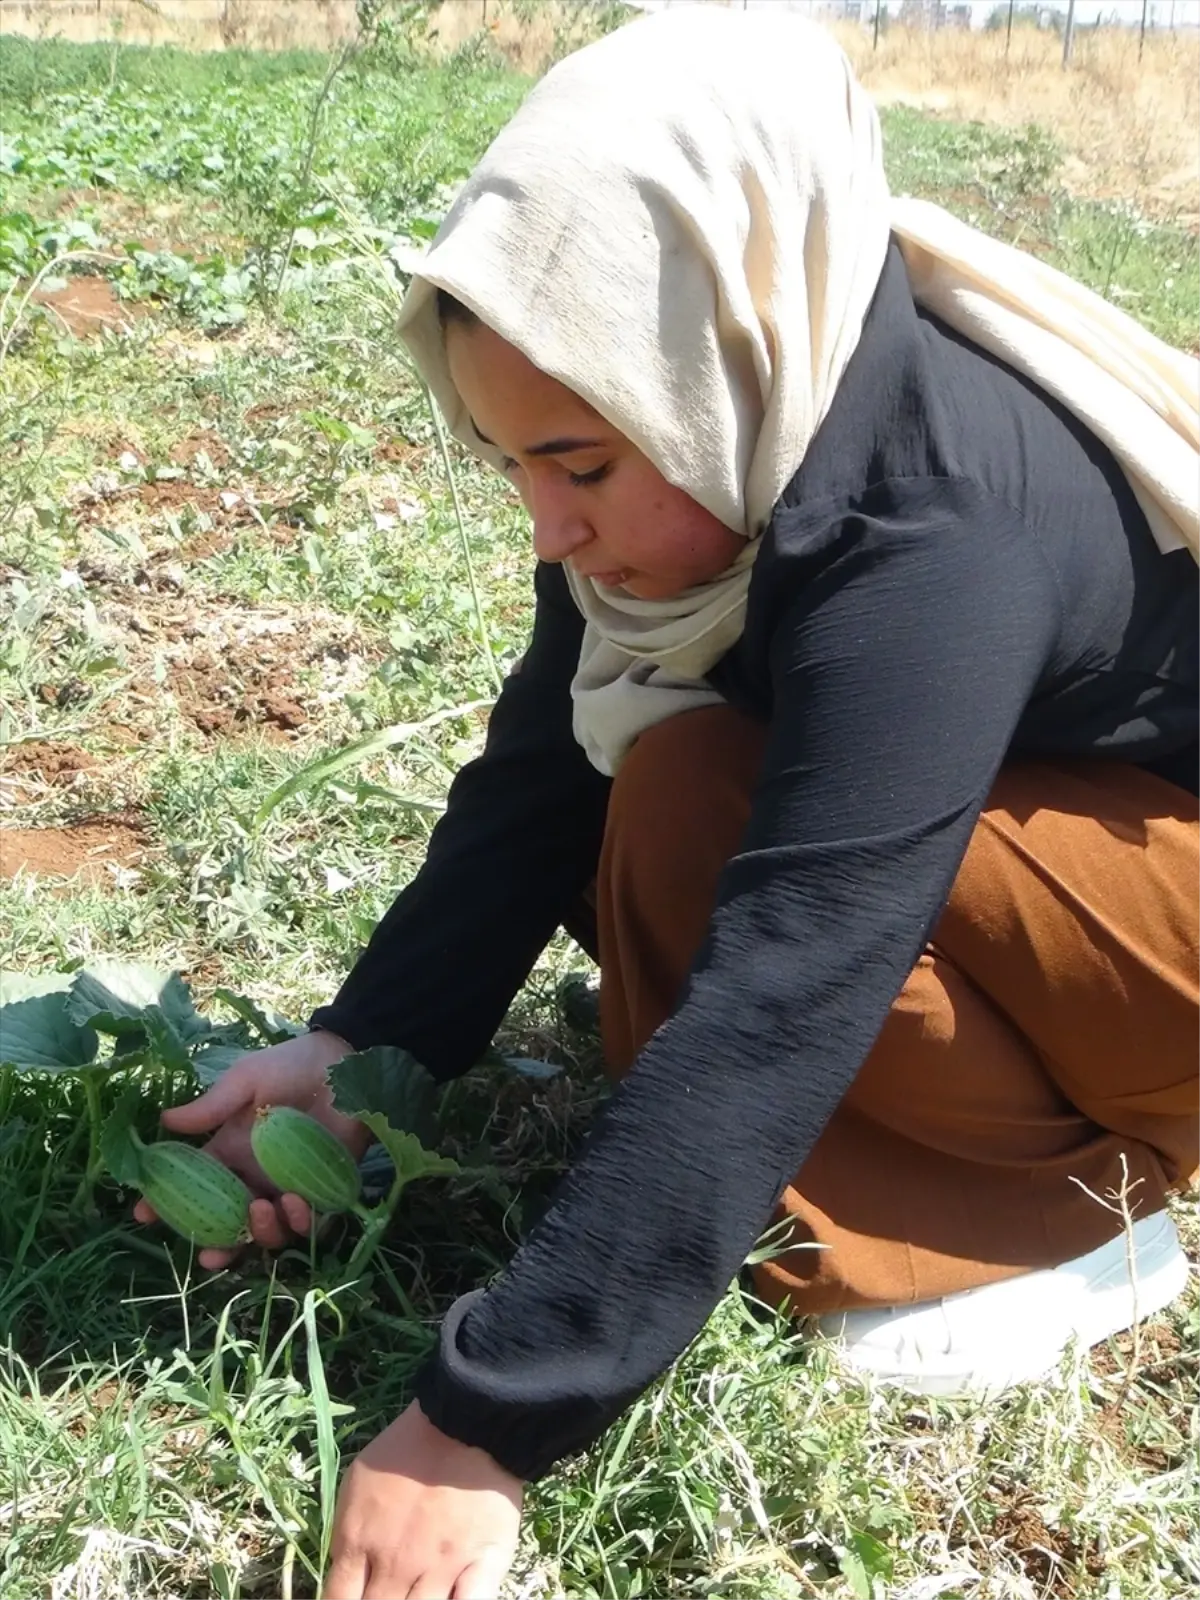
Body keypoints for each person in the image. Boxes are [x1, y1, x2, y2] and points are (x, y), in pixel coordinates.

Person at [134, 9, 1200, 1597]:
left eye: (577, 462)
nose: (551, 528)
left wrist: (482, 1424)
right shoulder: (718, 444)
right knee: (677, 779)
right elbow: (534, 783)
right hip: (1044, 864)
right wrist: (367, 1047)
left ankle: (1078, 1226)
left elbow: (796, 972)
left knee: (742, 825)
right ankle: (936, 1184)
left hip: (1162, 941)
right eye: (510, 466)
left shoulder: (931, 529)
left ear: (719, 359)